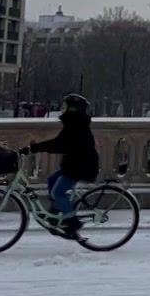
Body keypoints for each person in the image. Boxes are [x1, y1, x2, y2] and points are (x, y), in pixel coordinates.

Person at [21, 94, 99, 236]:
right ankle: (56, 213)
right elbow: (59, 143)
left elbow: (60, 145)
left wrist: (35, 148)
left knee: (58, 192)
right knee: (52, 180)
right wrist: (34, 148)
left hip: (81, 167)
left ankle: (71, 223)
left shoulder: (76, 126)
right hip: (75, 164)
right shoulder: (74, 124)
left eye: (65, 107)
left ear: (72, 109)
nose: (62, 110)